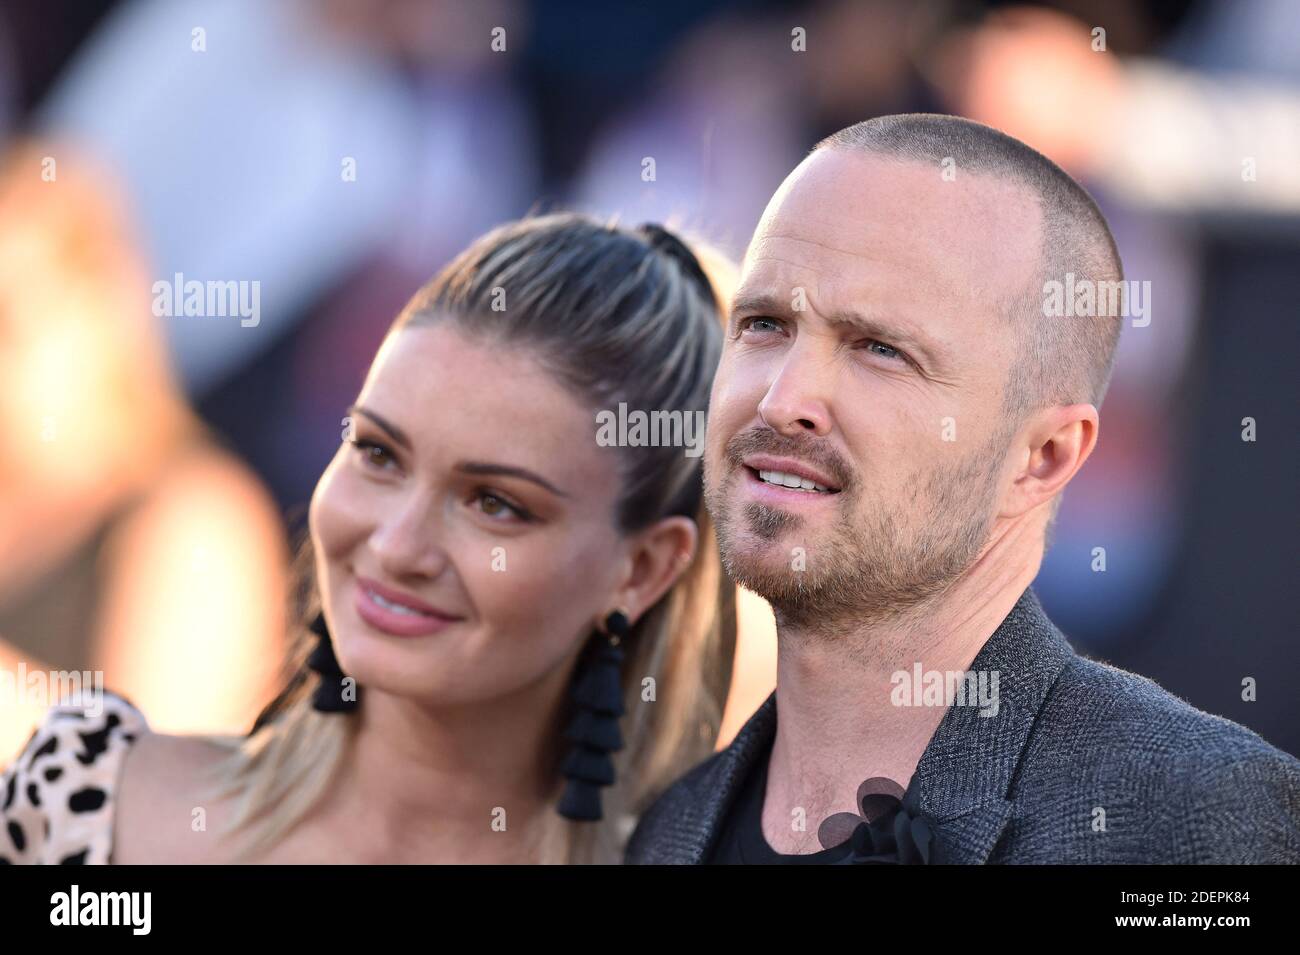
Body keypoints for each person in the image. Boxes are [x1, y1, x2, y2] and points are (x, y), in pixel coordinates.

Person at [626, 114, 1300, 864]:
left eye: (880, 348)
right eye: (764, 324)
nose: (784, 399)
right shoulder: (663, 829)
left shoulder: (1181, 812)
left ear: (1043, 455)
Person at [0, 213, 735, 864]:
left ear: (641, 569)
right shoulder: (86, 800)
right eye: (379, 454)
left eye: (494, 503)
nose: (394, 545)